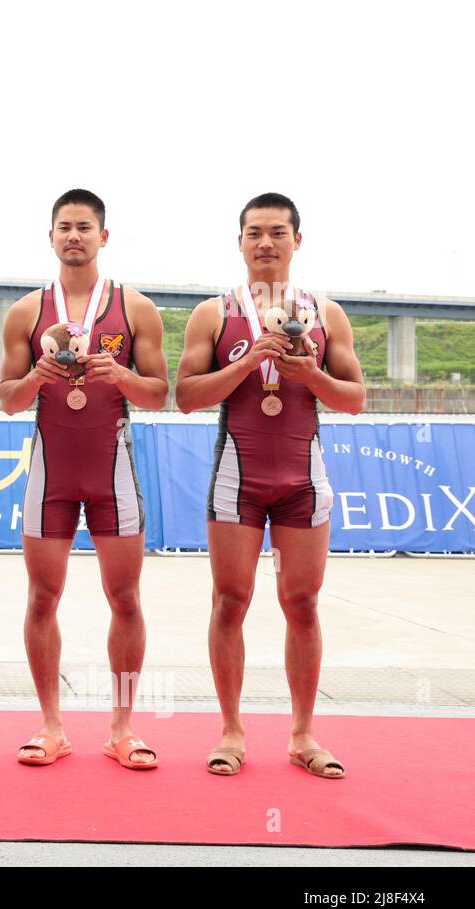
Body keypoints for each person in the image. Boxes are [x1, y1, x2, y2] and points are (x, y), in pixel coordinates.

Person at [176, 192, 365, 778]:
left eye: (277, 233)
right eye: (254, 233)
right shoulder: (214, 313)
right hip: (238, 480)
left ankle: (303, 734)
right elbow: (184, 398)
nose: (265, 243)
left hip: (303, 481)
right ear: (239, 242)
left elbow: (354, 400)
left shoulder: (326, 314)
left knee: (302, 604)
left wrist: (310, 373)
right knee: (230, 602)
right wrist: (243, 363)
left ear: (296, 241)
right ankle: (231, 730)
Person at [0, 189, 169, 769]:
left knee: (124, 598)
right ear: (51, 237)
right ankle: (51, 726)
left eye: (85, 227)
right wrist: (37, 377)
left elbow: (160, 396)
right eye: (64, 227)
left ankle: (122, 726)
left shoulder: (135, 308)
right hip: (51, 478)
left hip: (112, 476)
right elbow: (8, 402)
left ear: (104, 236)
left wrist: (118, 374)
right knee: (43, 597)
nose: (75, 236)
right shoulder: (25, 312)